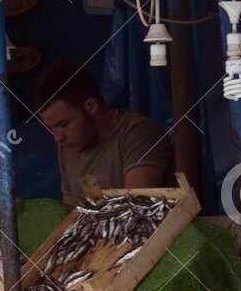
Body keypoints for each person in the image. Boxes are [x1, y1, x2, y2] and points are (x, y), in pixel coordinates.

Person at [34, 62, 175, 205]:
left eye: (63, 125)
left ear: (90, 106)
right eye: (51, 128)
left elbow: (136, 208)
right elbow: (70, 209)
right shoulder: (67, 146)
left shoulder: (138, 134)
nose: (58, 138)